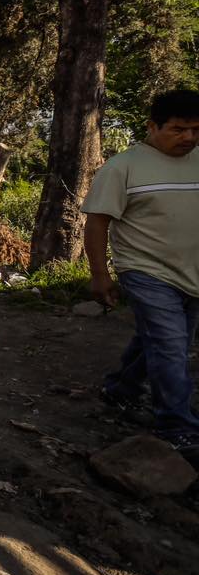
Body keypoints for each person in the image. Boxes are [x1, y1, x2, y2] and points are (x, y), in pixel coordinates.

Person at [83, 89, 199, 466]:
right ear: (152, 126)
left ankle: (121, 388)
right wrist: (100, 276)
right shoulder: (123, 167)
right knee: (171, 344)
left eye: (196, 130)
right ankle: (176, 427)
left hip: (193, 273)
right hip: (146, 270)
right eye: (179, 130)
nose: (189, 138)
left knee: (162, 340)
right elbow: (97, 222)